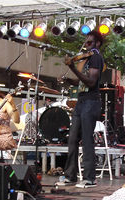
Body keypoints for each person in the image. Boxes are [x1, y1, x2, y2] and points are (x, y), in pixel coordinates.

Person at [56, 30, 104, 188]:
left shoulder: (96, 57)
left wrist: (72, 68)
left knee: (87, 140)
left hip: (91, 101)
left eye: (89, 43)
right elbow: (81, 83)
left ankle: (90, 179)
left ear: (97, 43)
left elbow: (91, 82)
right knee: (72, 138)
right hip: (82, 100)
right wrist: (69, 80)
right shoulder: (87, 58)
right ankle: (70, 176)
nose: (86, 45)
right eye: (86, 42)